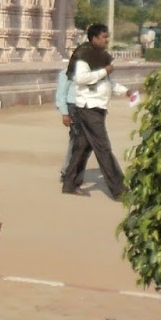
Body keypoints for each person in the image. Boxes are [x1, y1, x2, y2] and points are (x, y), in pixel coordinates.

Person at [61, 24, 128, 200]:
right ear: (94, 38)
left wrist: (125, 91)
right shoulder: (84, 56)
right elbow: (81, 79)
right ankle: (119, 189)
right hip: (88, 107)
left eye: (107, 37)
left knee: (82, 146)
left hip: (97, 107)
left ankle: (70, 183)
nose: (107, 40)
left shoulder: (100, 57)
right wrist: (104, 71)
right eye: (104, 37)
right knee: (103, 148)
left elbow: (106, 82)